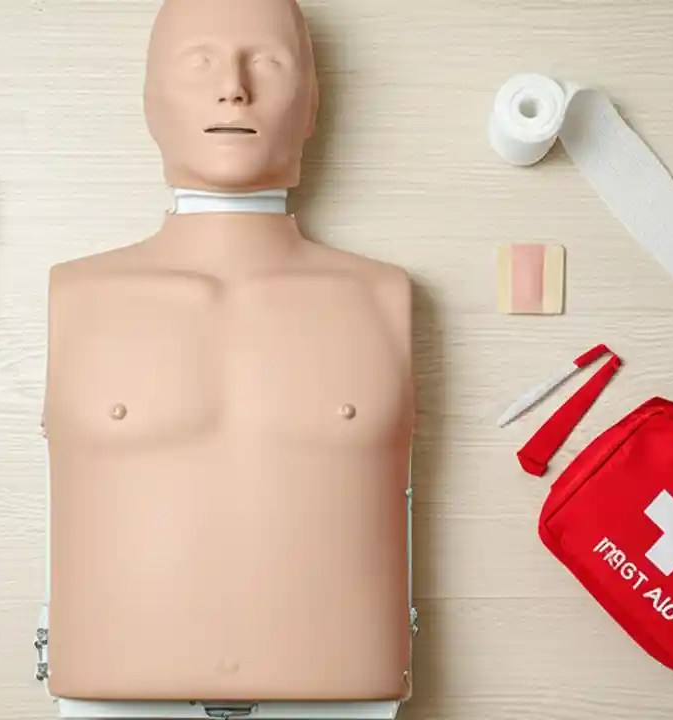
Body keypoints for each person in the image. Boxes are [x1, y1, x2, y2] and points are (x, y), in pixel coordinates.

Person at [44, 0, 415, 702]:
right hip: (109, 692)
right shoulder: (79, 292)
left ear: (312, 103)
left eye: (268, 62)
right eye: (199, 62)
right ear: (150, 100)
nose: (234, 87)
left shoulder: (380, 295)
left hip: (349, 692)